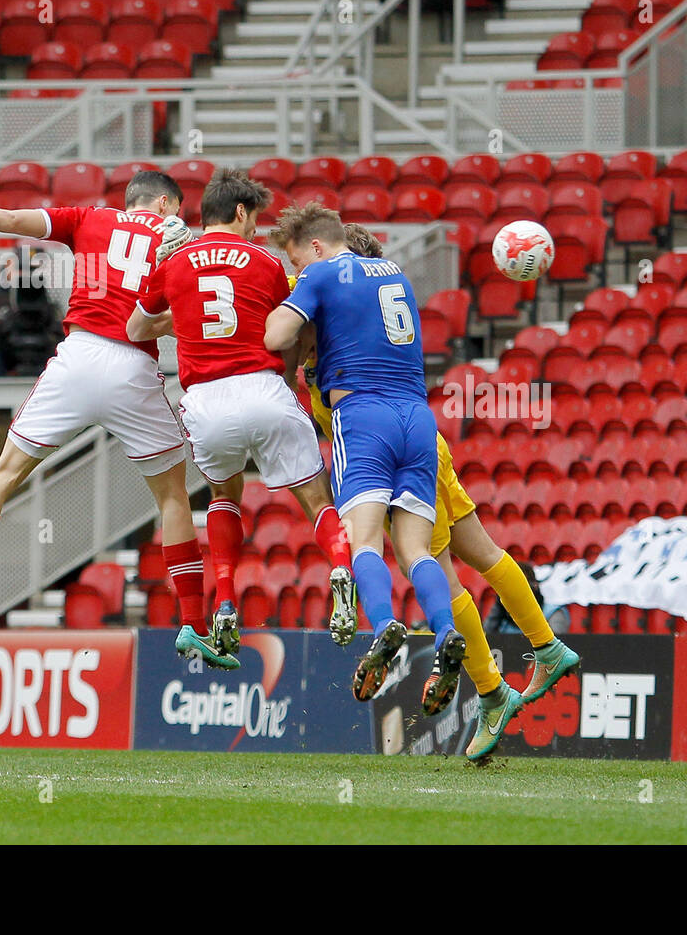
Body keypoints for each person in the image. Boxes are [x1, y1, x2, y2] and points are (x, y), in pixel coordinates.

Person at [0, 174, 226, 666]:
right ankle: (193, 624)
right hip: (133, 365)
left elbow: (8, 220)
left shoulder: (89, 218)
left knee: (4, 474)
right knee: (173, 497)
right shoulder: (177, 240)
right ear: (163, 202)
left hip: (78, 357)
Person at [296, 223, 578, 759]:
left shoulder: (334, 321)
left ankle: (493, 690)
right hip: (423, 439)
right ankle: (545, 646)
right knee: (480, 553)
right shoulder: (366, 315)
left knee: (431, 568)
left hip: (389, 446)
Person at [127, 169, 356, 659]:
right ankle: (341, 566)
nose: (254, 228)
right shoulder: (268, 263)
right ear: (238, 212)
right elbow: (286, 330)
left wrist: (178, 312)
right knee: (315, 500)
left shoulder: (174, 263)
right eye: (253, 218)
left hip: (206, 400)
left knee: (223, 495)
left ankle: (226, 599)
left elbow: (136, 325)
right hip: (265, 387)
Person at [264, 204, 467, 716]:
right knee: (417, 551)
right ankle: (445, 631)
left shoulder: (322, 272)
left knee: (362, 542)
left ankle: (384, 625)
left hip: (362, 414)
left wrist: (291, 298)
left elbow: (275, 336)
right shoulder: (393, 270)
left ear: (314, 246)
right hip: (418, 418)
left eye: (296, 258)